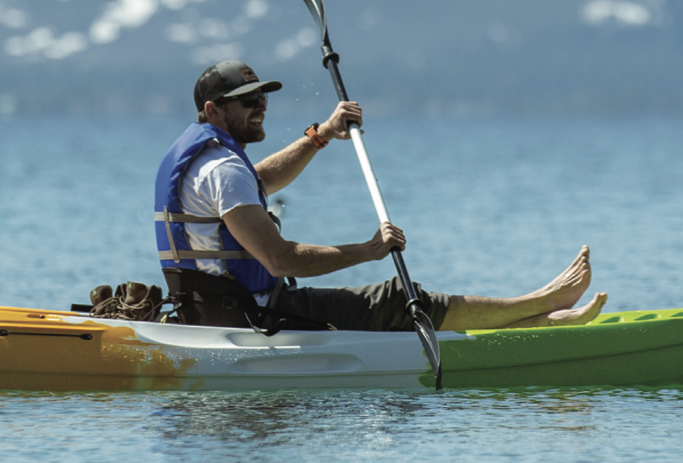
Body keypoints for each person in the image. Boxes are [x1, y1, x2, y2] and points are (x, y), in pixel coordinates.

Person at [154, 60, 607, 332]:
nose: (261, 106)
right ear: (214, 109)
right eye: (247, 99)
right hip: (254, 318)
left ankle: (539, 319)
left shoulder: (207, 164)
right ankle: (542, 306)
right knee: (398, 298)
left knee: (395, 303)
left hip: (217, 312)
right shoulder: (222, 169)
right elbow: (281, 261)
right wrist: (368, 251)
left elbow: (260, 179)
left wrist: (321, 136)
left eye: (263, 97)